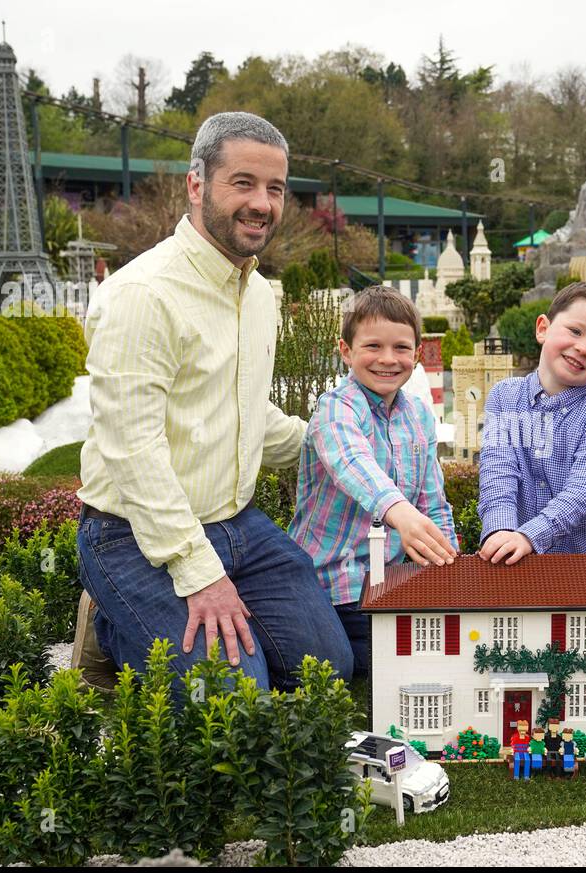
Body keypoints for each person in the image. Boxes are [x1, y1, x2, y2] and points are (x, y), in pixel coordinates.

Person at [75, 111, 352, 693]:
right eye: (243, 183)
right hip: (134, 536)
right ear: (196, 184)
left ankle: (144, 627)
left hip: (238, 525)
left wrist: (345, 443)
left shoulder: (258, 295)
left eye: (275, 189)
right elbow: (134, 454)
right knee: (231, 702)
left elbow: (252, 418)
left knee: (327, 669)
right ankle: (115, 624)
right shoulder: (142, 296)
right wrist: (199, 575)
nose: (263, 203)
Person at [288, 285, 457, 676]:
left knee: (440, 647)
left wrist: (449, 568)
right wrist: (400, 513)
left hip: (390, 580)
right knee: (372, 665)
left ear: (417, 354)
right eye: (372, 347)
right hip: (332, 581)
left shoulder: (418, 414)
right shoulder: (337, 407)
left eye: (400, 348)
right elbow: (352, 461)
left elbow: (433, 502)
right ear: (346, 351)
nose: (387, 359)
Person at [478, 281, 586, 574]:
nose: (582, 348)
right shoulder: (504, 397)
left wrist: (530, 535)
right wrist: (500, 531)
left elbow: (580, 493)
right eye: (576, 331)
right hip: (531, 559)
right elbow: (498, 470)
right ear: (543, 328)